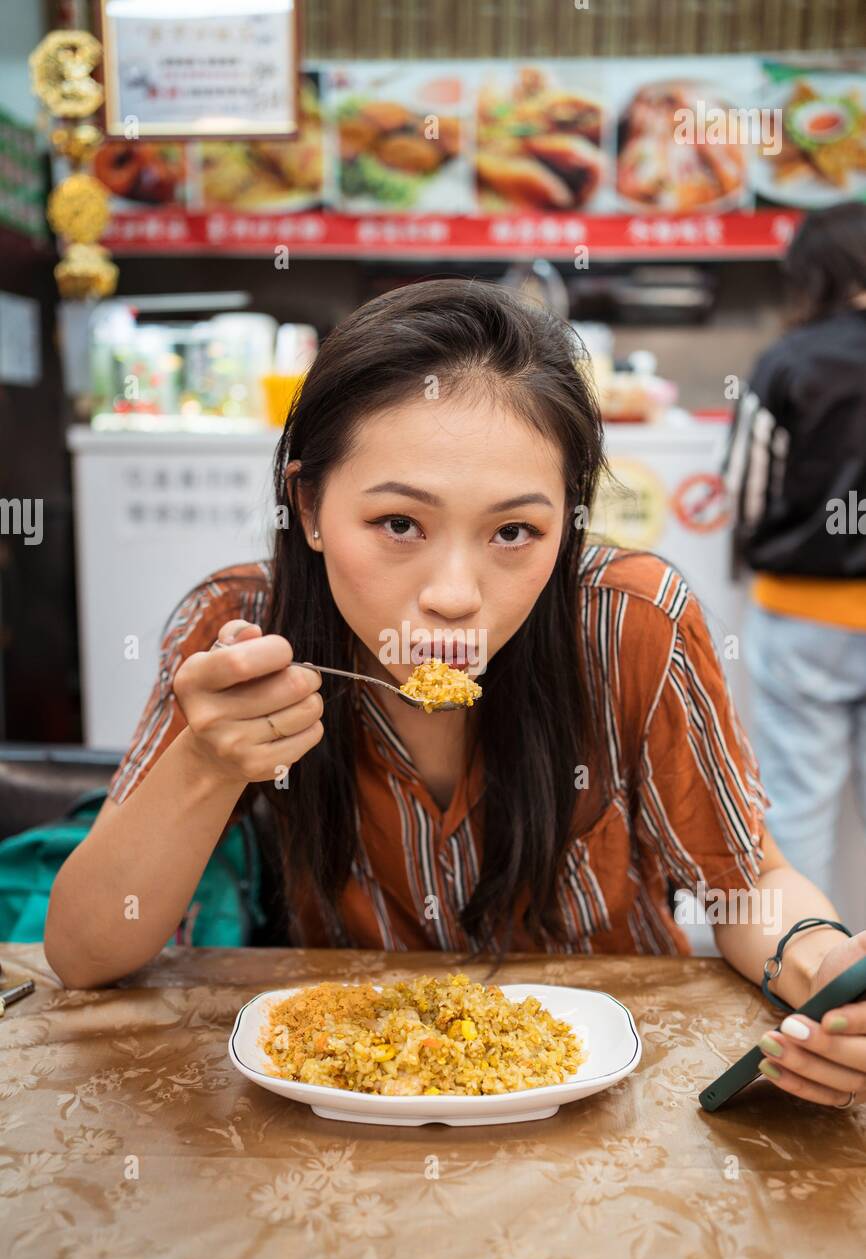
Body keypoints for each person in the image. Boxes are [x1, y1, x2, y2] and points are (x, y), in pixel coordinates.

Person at [46, 278, 866, 1110]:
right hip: (340, 1097)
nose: (454, 594)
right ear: (309, 505)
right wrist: (205, 765)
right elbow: (84, 955)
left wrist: (825, 970)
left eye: (514, 532)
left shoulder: (632, 626)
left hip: (604, 1102)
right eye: (400, 524)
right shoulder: (239, 631)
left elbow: (747, 881)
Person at [721, 201, 866, 897]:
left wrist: (751, 548)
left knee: (798, 799)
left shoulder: (788, 359)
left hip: (804, 611)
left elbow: (746, 488)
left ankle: (814, 968)